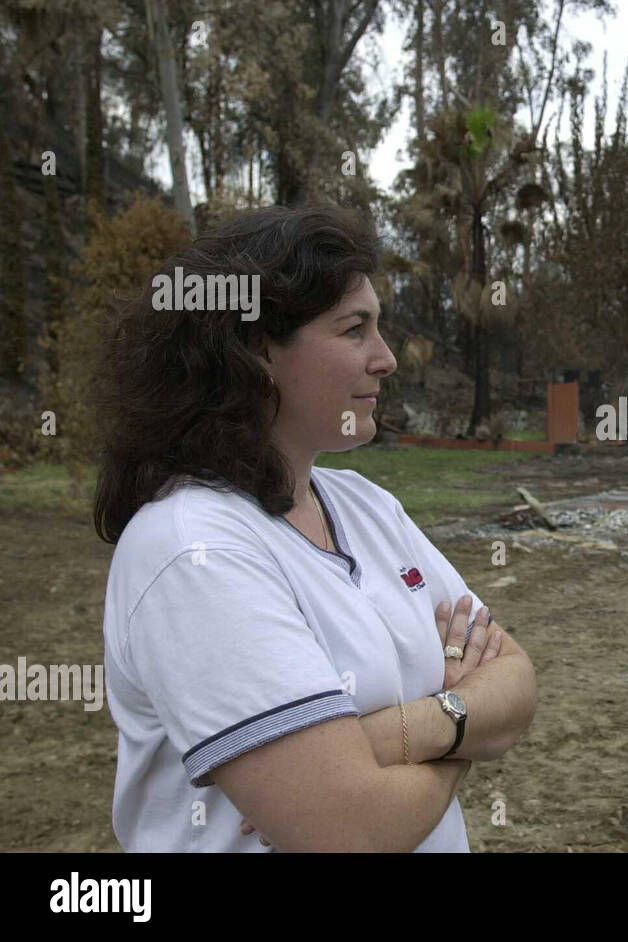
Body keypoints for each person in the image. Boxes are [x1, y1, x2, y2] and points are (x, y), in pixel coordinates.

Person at [95, 205, 536, 852]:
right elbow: (347, 828)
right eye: (354, 329)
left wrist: (403, 734)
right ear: (256, 350)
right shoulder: (193, 550)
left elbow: (517, 680)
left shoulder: (365, 506)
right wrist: (462, 735)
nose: (385, 360)